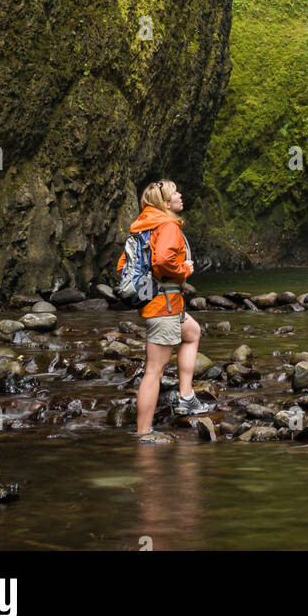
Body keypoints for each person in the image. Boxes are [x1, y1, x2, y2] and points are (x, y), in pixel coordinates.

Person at [117, 180, 204, 440]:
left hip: (166, 303)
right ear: (166, 203)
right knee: (154, 370)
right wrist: (184, 270)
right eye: (175, 192)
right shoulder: (167, 226)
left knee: (192, 333)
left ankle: (186, 396)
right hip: (162, 306)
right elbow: (164, 259)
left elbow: (123, 265)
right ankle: (144, 432)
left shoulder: (144, 228)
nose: (180, 195)